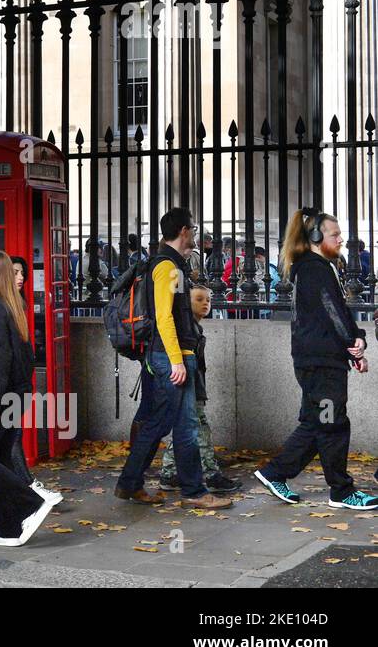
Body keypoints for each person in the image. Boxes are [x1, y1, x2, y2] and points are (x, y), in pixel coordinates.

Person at [254, 209, 378, 509]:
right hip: (322, 364)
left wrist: (356, 337)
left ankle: (274, 473)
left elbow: (337, 310)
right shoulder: (314, 269)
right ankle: (342, 491)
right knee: (332, 423)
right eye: (335, 234)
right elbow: (333, 312)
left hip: (317, 360)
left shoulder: (317, 267)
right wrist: (354, 343)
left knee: (316, 422)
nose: (341, 239)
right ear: (316, 237)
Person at [115, 207, 232, 509]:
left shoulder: (169, 264)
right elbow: (164, 316)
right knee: (186, 426)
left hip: (161, 355)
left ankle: (129, 483)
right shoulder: (168, 267)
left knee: (156, 424)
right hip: (172, 356)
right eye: (192, 229)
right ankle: (194, 492)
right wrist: (177, 359)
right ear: (183, 231)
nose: (194, 234)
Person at [0, 250, 56, 546]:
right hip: (14, 394)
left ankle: (30, 502)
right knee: (1, 457)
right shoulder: (8, 305)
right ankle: (6, 531)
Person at [158, 285, 241, 493]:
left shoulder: (194, 327)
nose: (206, 303)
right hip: (187, 387)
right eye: (199, 299)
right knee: (199, 429)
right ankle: (211, 476)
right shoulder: (187, 328)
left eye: (208, 300)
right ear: (187, 302)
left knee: (186, 428)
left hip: (192, 387)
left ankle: (169, 473)